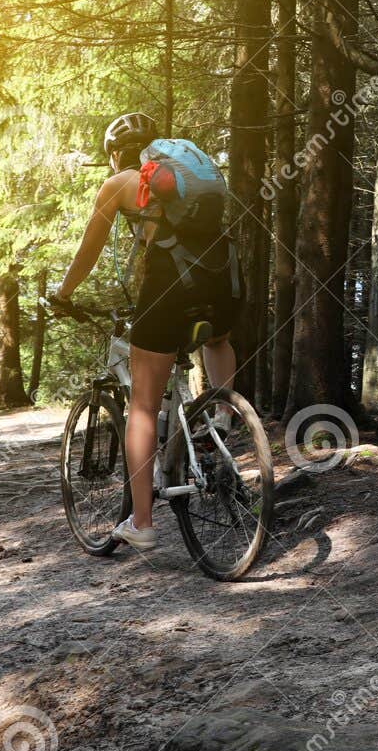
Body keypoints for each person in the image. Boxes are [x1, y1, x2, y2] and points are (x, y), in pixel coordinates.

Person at [52, 111, 241, 552]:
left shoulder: (122, 183)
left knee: (141, 406)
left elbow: (89, 251)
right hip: (222, 277)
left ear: (116, 153)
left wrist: (64, 293)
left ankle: (141, 523)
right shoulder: (181, 185)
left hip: (170, 289)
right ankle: (223, 415)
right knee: (217, 338)